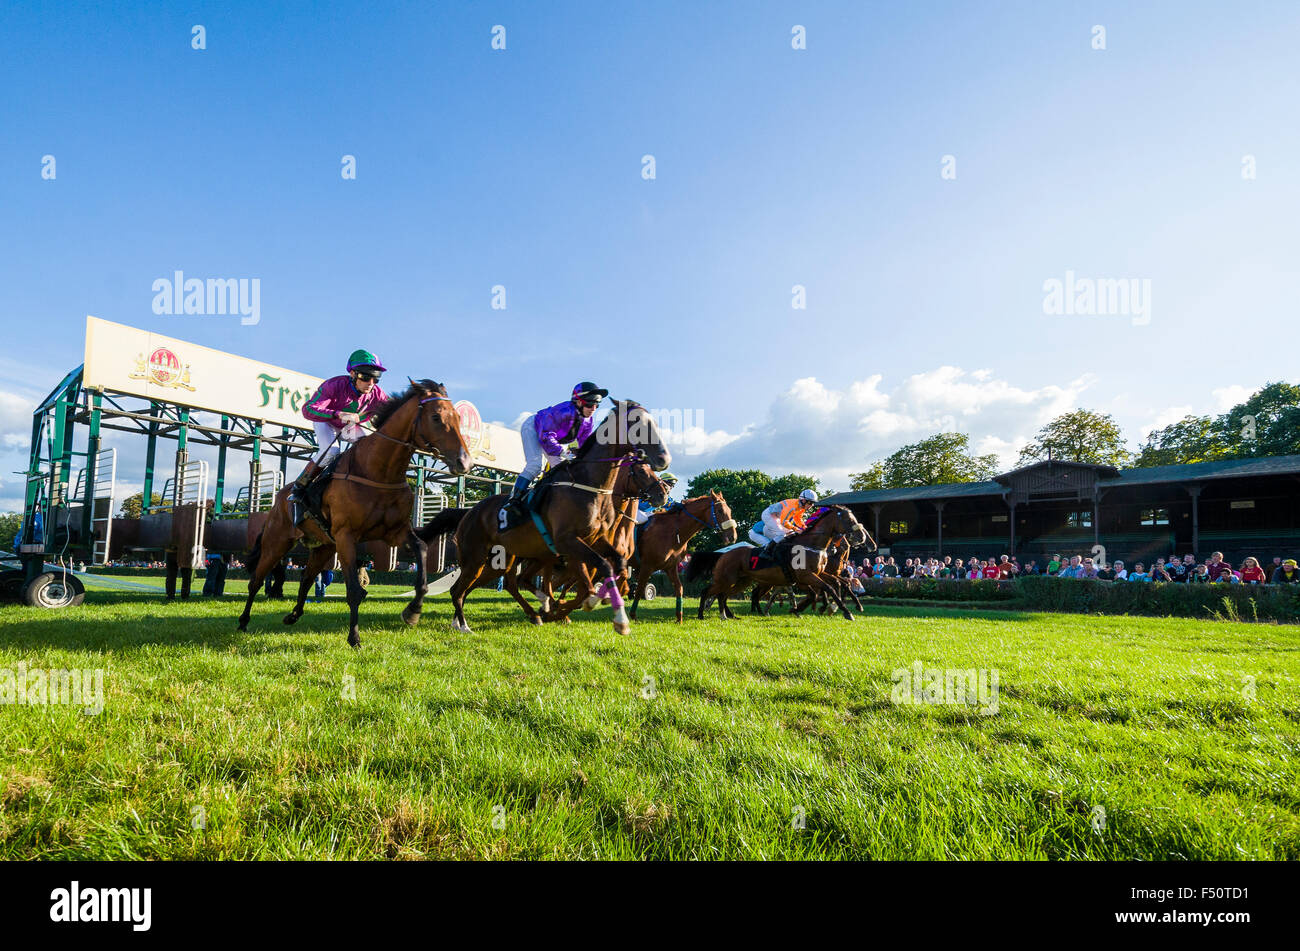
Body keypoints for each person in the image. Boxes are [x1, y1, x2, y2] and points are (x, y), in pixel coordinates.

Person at [289, 349, 390, 525]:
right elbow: (308, 409)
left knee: (369, 447)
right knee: (332, 452)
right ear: (352, 374)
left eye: (376, 379)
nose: (371, 383)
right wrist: (337, 414)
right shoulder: (333, 385)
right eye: (366, 378)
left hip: (349, 426)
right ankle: (299, 487)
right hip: (326, 423)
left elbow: (393, 412)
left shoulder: (377, 393)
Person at [507, 382, 608, 514]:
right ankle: (513, 500)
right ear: (578, 402)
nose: (593, 409)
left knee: (564, 472)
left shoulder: (588, 421)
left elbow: (584, 445)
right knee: (535, 466)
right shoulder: (563, 411)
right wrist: (562, 452)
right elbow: (546, 436)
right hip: (534, 429)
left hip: (552, 439)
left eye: (596, 405)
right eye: (589, 404)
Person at [748, 488, 819, 556]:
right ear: (803, 500)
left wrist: (804, 527)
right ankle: (766, 552)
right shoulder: (792, 506)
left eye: (813, 503)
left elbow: (798, 518)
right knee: (782, 533)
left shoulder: (801, 508)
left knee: (790, 533)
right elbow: (784, 522)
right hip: (769, 515)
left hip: (775, 517)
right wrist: (796, 529)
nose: (811, 505)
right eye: (810, 502)